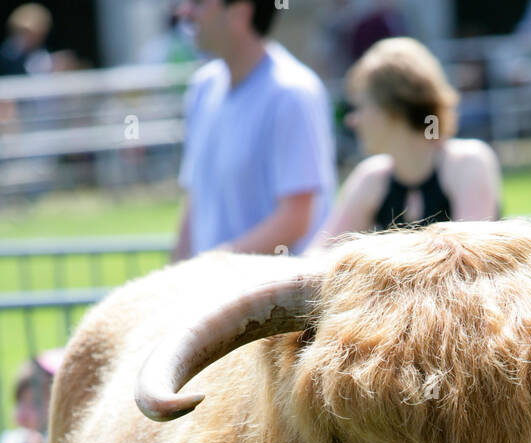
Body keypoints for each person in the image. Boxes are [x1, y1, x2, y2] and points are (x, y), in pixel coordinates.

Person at [173, 0, 336, 259]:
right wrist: (175, 279)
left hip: (275, 297)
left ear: (240, 11)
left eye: (199, 3)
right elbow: (196, 200)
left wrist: (213, 265)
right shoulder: (203, 87)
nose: (184, 11)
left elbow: (296, 219)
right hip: (212, 291)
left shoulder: (292, 94)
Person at [310, 36, 500, 245]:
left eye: (359, 107)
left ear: (393, 110)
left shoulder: (467, 162)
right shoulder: (371, 178)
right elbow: (319, 258)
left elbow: (468, 259)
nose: (352, 120)